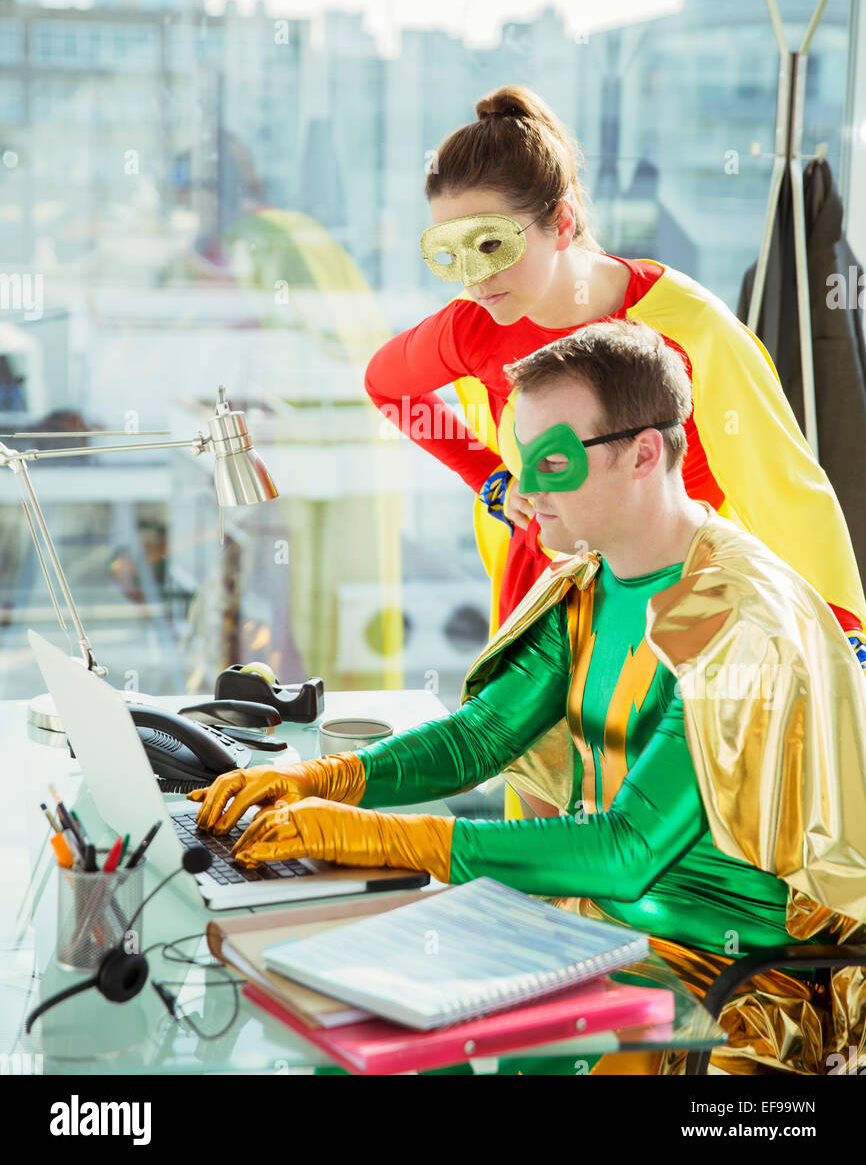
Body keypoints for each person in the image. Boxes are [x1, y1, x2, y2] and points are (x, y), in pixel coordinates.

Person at [191, 321, 866, 1076]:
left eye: (555, 463)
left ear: (645, 453)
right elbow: (479, 738)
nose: (526, 488)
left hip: (718, 990)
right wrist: (316, 780)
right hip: (579, 939)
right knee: (336, 1038)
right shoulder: (585, 580)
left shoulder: (738, 618)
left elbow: (625, 851)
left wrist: (370, 836)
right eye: (522, 460)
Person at [363, 82, 866, 654]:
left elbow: (784, 485)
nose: (475, 280)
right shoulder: (475, 324)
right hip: (548, 601)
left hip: (682, 606)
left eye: (492, 245)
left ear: (561, 220)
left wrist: (842, 631)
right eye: (449, 254)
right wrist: (493, 482)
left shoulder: (690, 326)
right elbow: (387, 385)